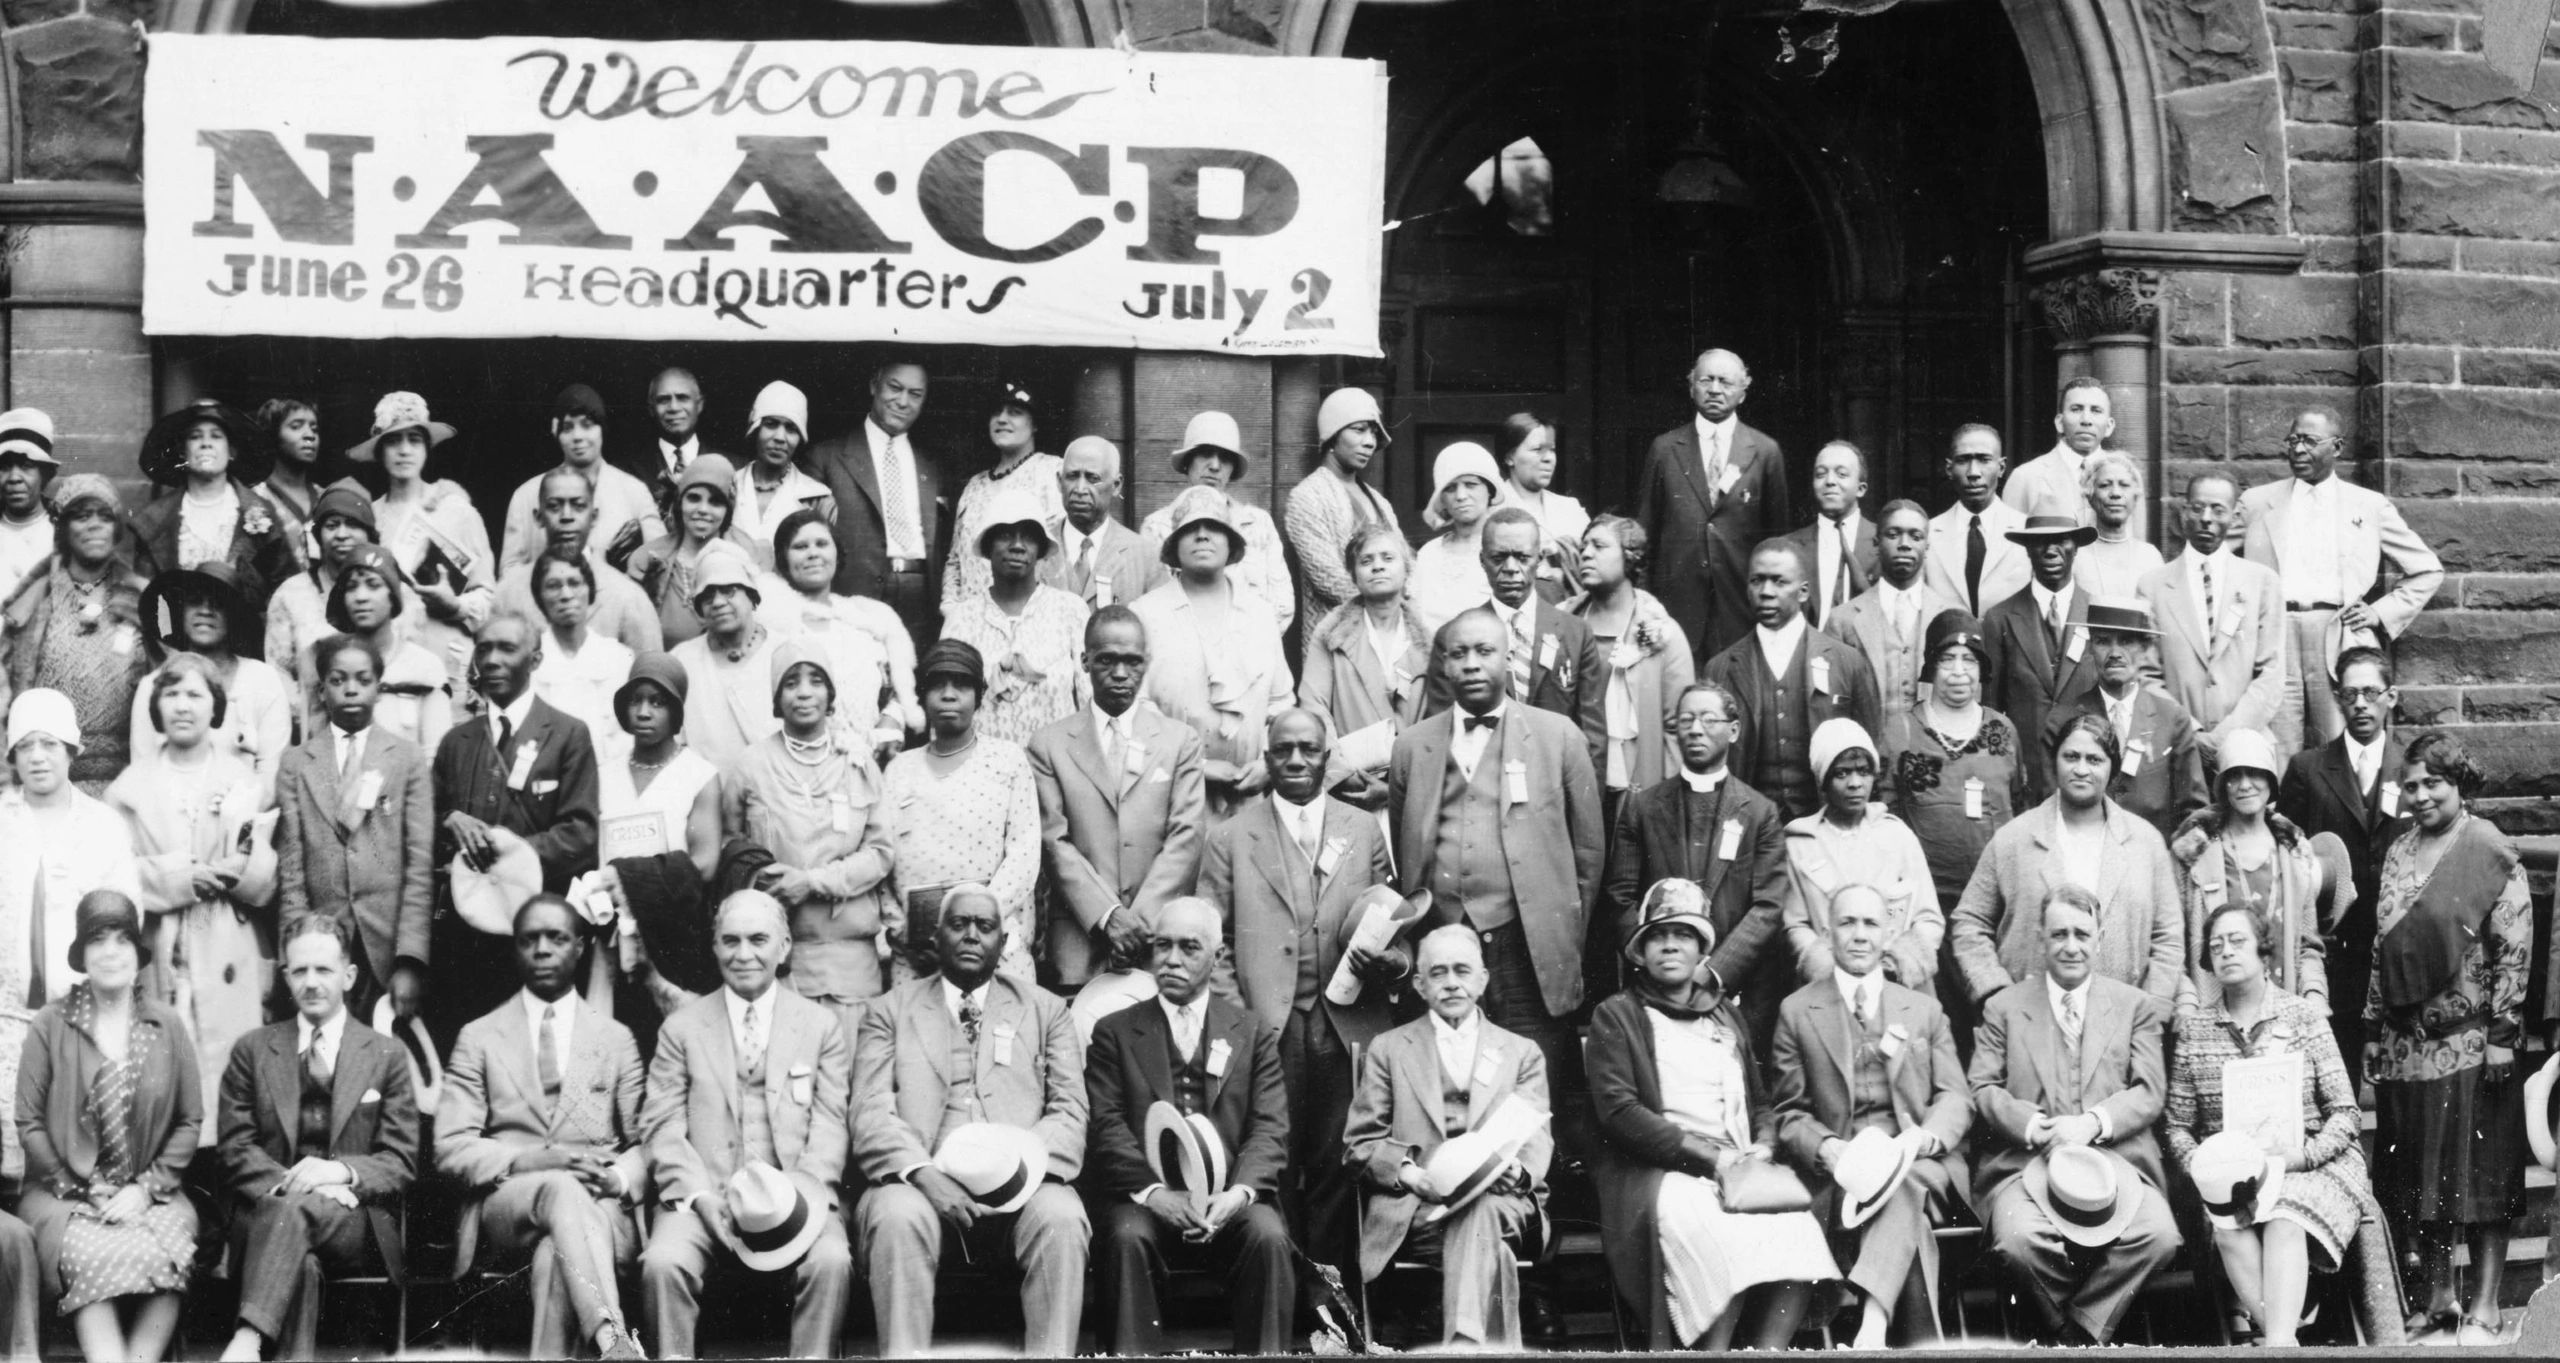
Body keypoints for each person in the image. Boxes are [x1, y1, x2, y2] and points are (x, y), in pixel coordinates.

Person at [1587, 882, 1832, 1350]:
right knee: (1724, 1239)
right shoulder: (1617, 1016)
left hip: (1738, 1164)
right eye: (1659, 936)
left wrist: (1762, 1145)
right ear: (1640, 952)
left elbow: (1761, 1102)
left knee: (1799, 1233)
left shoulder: (1723, 1015)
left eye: (1684, 935)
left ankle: (1768, 1353)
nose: (1671, 945)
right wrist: (1711, 1160)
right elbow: (1621, 1114)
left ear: (1702, 949)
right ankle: (1711, 1355)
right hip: (1658, 1170)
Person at [1393, 607, 1603, 1151]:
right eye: (1458, 653)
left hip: (1525, 946)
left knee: (1535, 1090)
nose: (1471, 664)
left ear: (1508, 658)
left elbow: (1588, 854)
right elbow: (1405, 845)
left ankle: (1538, 1224)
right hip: (1444, 941)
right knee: (1452, 1090)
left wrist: (1559, 937)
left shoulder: (1558, 736)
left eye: (1484, 651)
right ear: (1442, 664)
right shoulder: (1412, 746)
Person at [1201, 706, 1397, 1284]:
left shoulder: (1361, 829)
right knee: (1275, 1160)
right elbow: (1214, 944)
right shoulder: (1232, 836)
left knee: (1340, 1162)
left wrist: (1391, 962)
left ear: (1327, 756)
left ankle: (1330, 1299)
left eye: (1308, 749)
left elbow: (1390, 921)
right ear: (1266, 759)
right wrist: (1241, 1023)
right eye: (1283, 749)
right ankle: (1282, 1294)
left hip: (1347, 1024)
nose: (1295, 760)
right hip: (1269, 1027)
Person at [851, 884, 1088, 1356]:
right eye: (958, 925)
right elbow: (869, 1109)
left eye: (984, 926)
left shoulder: (1045, 1010)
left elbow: (1070, 1110)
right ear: (936, 938)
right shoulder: (888, 1011)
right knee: (895, 1217)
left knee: (1062, 1218)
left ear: (1003, 942)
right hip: (921, 1183)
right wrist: (923, 1175)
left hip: (1026, 1182)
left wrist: (1018, 1172)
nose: (971, 936)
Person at [639, 890, 855, 1359]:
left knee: (832, 1260)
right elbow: (662, 1129)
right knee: (663, 1263)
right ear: (714, 947)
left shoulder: (820, 1026)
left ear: (784, 947)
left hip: (799, 1199)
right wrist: (699, 1198)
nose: (743, 954)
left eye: (758, 939)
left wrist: (797, 1200)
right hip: (706, 1197)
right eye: (730, 941)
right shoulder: (682, 1028)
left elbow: (831, 1123)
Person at [2366, 731, 2527, 1345]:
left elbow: (2514, 944)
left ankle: (2484, 1305)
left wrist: (2504, 1032)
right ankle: (2439, 1301)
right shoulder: (2399, 852)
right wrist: (2375, 1031)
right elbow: (2384, 950)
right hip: (2409, 1049)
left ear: (2459, 784)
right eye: (2409, 785)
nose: (2420, 794)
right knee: (2422, 1180)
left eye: (2433, 781)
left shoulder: (2487, 848)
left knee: (2480, 1174)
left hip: (2473, 1042)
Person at [1966, 884, 2181, 1345]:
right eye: (2059, 933)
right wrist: (2032, 1126)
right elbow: (1981, 1088)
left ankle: (2078, 1331)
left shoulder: (2133, 1006)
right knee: (2018, 1242)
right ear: (2040, 938)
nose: (2070, 945)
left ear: (2099, 939)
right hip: (2027, 1164)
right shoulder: (2003, 1007)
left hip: (2116, 1160)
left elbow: (2149, 1090)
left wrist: (2092, 1123)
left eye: (2082, 934)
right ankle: (2074, 1337)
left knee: (2160, 1235)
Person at [437, 896, 649, 1360]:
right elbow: (450, 1147)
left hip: (599, 1205)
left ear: (581, 946)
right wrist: (528, 1159)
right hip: (510, 1203)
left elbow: (646, 1143)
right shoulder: (480, 1035)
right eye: (529, 940)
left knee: (555, 1256)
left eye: (556, 937)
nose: (542, 950)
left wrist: (617, 1178)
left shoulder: (615, 1038)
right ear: (515, 950)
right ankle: (613, 1340)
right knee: (557, 1187)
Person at [1086, 897, 1295, 1354]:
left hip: (1228, 1201)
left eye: (1189, 947)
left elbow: (1269, 1128)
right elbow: (1106, 1125)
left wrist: (1237, 1196)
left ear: (1217, 957)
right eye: (1162, 946)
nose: (1172, 960)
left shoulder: (1252, 1031)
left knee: (1268, 1236)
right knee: (1125, 1238)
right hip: (1146, 1200)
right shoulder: (1114, 1032)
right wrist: (1155, 1195)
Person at [1772, 883, 1973, 1348]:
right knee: (1909, 1217)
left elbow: (1956, 1097)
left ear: (1889, 933)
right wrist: (1827, 1147)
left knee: (1903, 1180)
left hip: (1922, 1165)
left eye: (1870, 923)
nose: (1859, 935)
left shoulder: (1924, 1010)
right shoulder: (1797, 1011)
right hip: (1842, 1181)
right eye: (1847, 922)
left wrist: (1923, 1138)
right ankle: (1907, 1342)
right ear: (1827, 932)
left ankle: (1873, 1328)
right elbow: (1788, 1113)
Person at [212, 912, 417, 1363]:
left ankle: (246, 1342)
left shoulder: (386, 1054)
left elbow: (400, 1160)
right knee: (298, 1264)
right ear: (285, 976)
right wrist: (298, 1183)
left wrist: (339, 1172)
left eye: (323, 970)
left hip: (351, 1219)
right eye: (299, 970)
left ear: (349, 975)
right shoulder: (253, 1050)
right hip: (268, 1212)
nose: (311, 982)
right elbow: (235, 1149)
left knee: (295, 1221)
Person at [2166, 902, 2371, 1350]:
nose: (2225, 951)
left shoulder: (2301, 1016)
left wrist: (2304, 1155)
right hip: (2234, 1177)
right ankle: (2287, 1337)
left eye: (2237, 941)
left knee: (2283, 1213)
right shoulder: (2197, 1029)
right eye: (2216, 944)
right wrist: (2207, 1166)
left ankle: (2276, 1343)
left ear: (2264, 951)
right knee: (2229, 1222)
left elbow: (2346, 1112)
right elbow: (2177, 1126)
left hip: (2315, 1165)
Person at [1343, 924, 1551, 1348]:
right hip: (1418, 1207)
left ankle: (1463, 1343)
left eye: (1462, 970)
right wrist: (1410, 1174)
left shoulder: (1521, 1052)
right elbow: (1360, 1144)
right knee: (1481, 1229)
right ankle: (1477, 1339)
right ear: (1419, 984)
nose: (1452, 982)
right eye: (1438, 973)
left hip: (1504, 1202)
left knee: (1480, 1208)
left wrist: (1518, 1171)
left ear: (1482, 979)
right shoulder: (1389, 1049)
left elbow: (1536, 1140)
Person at [17, 891, 200, 1363]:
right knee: (90, 1256)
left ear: (139, 953)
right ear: (83, 953)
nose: (111, 951)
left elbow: (189, 1119)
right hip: (64, 1196)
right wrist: (80, 1187)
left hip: (149, 1192)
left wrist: (146, 1188)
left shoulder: (167, 1025)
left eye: (123, 939)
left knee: (172, 1248)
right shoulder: (51, 1024)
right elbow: (29, 1121)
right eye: (98, 939)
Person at [109, 656, 278, 1120]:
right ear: (156, 706)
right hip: (162, 947)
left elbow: (266, 875)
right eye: (171, 694)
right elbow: (116, 875)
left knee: (231, 1084)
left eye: (195, 695)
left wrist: (235, 870)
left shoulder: (244, 782)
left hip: (227, 941)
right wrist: (180, 877)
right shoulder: (129, 789)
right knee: (165, 1083)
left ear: (215, 707)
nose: (182, 706)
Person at [430, 613, 601, 1047]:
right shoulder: (456, 743)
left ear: (536, 658)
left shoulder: (567, 735)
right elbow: (426, 832)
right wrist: (450, 822)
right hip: (465, 937)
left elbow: (581, 834)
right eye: (483, 649)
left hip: (535, 935)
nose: (491, 660)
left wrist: (509, 853)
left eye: (506, 648)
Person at [2241, 405, 2443, 751]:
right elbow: (2214, 556)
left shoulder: (2368, 505)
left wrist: (2379, 613)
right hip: (2275, 633)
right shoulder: (2257, 502)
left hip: (2337, 632)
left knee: (2341, 740)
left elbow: (2427, 569)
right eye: (2293, 440)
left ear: (2336, 447)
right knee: (2276, 741)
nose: (2299, 449)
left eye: (2309, 441)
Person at [1025, 606, 1205, 991]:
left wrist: (1138, 923)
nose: (1121, 674)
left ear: (1148, 663)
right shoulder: (1049, 744)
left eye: (1132, 662)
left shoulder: (1180, 741)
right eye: (1107, 660)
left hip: (1158, 936)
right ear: (1085, 661)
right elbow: (1053, 842)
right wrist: (1109, 917)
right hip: (1081, 933)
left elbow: (1185, 839)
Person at [1950, 714, 2184, 1010]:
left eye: (2095, 760)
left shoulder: (2145, 843)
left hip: (2120, 1019)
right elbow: (1969, 921)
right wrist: (1996, 992)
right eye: (2071, 757)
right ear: (2055, 761)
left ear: (2112, 767)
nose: (2082, 769)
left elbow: (2169, 935)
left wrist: (2153, 1005)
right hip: (2029, 1019)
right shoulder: (2014, 838)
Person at [1603, 682, 1789, 1051]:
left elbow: (1768, 906)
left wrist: (1717, 970)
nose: (1695, 729)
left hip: (1734, 989)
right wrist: (1655, 962)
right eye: (1686, 720)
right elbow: (1619, 895)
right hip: (1655, 985)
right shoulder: (1643, 808)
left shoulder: (1760, 812)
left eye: (1708, 719)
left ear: (1733, 730)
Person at [723, 639, 896, 1019]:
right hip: (773, 961)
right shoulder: (750, 767)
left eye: (816, 680)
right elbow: (731, 851)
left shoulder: (857, 762)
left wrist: (812, 881)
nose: (804, 692)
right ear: (776, 697)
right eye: (790, 682)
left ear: (830, 693)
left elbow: (881, 853)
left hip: (849, 963)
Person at [0, 694, 143, 1147]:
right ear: (12, 756)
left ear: (71, 751)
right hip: (4, 1016)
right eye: (25, 746)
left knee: (74, 1145)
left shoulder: (103, 826)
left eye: (50, 744)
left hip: (79, 1016)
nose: (38, 757)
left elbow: (124, 921)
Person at [274, 633, 434, 1022]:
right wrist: (299, 948)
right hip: (323, 944)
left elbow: (419, 866)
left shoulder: (406, 759)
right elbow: (292, 870)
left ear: (380, 689)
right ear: (321, 689)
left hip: (386, 941)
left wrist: (410, 959)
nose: (351, 690)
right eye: (338, 680)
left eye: (363, 680)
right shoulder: (296, 763)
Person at [2276, 646, 2405, 1089]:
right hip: (2337, 950)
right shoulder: (2308, 769)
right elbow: (2289, 858)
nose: (2361, 704)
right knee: (2338, 1079)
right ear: (2337, 698)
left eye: (2371, 692)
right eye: (2350, 694)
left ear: (2392, 696)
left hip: (2399, 949)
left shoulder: (2415, 771)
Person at [880, 641, 1041, 985]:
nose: (949, 695)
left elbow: (1025, 854)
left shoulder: (1007, 761)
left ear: (979, 696)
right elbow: (880, 857)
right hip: (918, 956)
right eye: (937, 685)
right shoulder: (899, 770)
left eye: (961, 685)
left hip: (994, 944)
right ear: (921, 697)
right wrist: (903, 931)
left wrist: (973, 928)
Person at [1130, 488, 1294, 824]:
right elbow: (1137, 711)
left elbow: (1281, 704)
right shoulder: (1146, 614)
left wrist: (1268, 763)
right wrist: (1198, 766)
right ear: (1174, 545)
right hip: (1171, 796)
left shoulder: (1260, 614)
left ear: (1231, 543)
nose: (1202, 535)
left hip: (1248, 795)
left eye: (1213, 528)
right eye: (1190, 529)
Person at [1701, 537, 1883, 819]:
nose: (1766, 592)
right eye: (1756, 581)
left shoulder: (1847, 662)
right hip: (1750, 826)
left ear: (1803, 591)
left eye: (1779, 581)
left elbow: (1873, 757)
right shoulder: (1721, 668)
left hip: (1826, 825)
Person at [593, 652, 723, 1030]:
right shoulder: (604, 774)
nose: (645, 712)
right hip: (611, 933)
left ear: (676, 712)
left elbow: (705, 861)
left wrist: (628, 882)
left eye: (658, 702)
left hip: (674, 933)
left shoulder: (698, 775)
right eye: (636, 700)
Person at [0, 473, 152, 789]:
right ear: (63, 528)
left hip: (126, 781)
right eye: (81, 517)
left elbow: (171, 672)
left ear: (117, 528)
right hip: (43, 778)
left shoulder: (149, 598)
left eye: (105, 516)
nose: (94, 525)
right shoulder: (32, 600)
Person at [1638, 348, 1791, 659]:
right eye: (1706, 380)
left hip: (1740, 609)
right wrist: (1644, 604)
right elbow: (1644, 534)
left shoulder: (1765, 451)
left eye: (1726, 382)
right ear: (1691, 386)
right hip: (1675, 610)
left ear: (1743, 392)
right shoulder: (1665, 449)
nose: (1715, 389)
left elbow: (1777, 541)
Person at [2168, 728, 2330, 1020]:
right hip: (2216, 1013)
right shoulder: (2195, 855)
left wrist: (2315, 994)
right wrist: (2187, 1002)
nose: (2245, 785)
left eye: (2254, 773)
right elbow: (2173, 942)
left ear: (2270, 781)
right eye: (2234, 775)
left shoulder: (2294, 854)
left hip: (2284, 1010)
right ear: (2222, 785)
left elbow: (2308, 946)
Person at [1878, 611, 2029, 918]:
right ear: (1931, 666)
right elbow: (1884, 824)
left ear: (1981, 668)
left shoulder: (2003, 730)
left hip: (1993, 901)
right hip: (1923, 903)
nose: (1959, 671)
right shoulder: (1900, 732)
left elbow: (2018, 808)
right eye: (1947, 659)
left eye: (1969, 660)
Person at [2139, 470, 2286, 767]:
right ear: (2184, 513)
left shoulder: (2262, 582)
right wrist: (2190, 732)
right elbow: (2146, 675)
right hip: (2176, 744)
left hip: (2246, 746)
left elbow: (2271, 673)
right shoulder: (2152, 586)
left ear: (2234, 517)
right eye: (2197, 507)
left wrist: (2223, 739)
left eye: (2218, 509)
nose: (2206, 517)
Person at [1781, 719, 1942, 990]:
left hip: (1899, 984)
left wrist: (1897, 965)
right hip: (1829, 986)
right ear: (1824, 780)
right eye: (1842, 773)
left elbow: (1929, 918)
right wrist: (1830, 971)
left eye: (1864, 771)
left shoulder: (1897, 835)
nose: (1855, 783)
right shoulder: (1801, 843)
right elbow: (1796, 925)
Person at [1449, 506, 1610, 768]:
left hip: (1554, 786)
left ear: (1539, 559)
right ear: (1482, 560)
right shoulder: (1456, 635)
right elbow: (1442, 734)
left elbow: (1592, 737)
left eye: (1522, 557)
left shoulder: (1575, 633)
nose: (1511, 568)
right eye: (1499, 557)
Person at [804, 358, 947, 645]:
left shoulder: (933, 465)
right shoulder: (827, 458)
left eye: (915, 394)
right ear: (874, 386)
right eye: (894, 388)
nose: (903, 401)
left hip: (919, 596)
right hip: (855, 596)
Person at [2037, 595, 2206, 838]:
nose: (2115, 653)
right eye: (2103, 641)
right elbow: (2049, 807)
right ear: (2090, 647)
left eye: (2126, 642)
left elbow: (2193, 809)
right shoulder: (2062, 720)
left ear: (2147, 649)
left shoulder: (2172, 719)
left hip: (2152, 859)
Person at [758, 508, 917, 753]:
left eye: (821, 544)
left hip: (869, 762)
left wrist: (892, 721)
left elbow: (898, 689)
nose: (813, 553)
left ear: (836, 553)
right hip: (800, 762)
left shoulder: (868, 619)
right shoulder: (774, 626)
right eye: (800, 547)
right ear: (784, 559)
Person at [940, 487, 1091, 746]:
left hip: (1054, 768)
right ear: (988, 546)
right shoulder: (962, 619)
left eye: (1028, 537)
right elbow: (945, 705)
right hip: (983, 771)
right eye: (1006, 535)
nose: (1017, 546)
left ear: (1041, 548)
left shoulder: (1070, 611)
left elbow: (1090, 698)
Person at [1565, 515, 1693, 813]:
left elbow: (1677, 725)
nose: (1585, 553)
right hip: (1576, 779)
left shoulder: (1662, 632)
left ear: (1630, 557)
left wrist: (1668, 802)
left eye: (1599, 546)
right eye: (1583, 546)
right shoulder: (1565, 624)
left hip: (1639, 785)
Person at [1300, 523, 1430, 808]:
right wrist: (1341, 773)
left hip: (1414, 787)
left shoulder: (1429, 637)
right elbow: (1314, 705)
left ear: (1407, 570)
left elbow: (1440, 717)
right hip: (1352, 785)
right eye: (1366, 561)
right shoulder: (1331, 632)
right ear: (1354, 575)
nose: (1377, 567)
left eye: (1388, 558)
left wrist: (1403, 788)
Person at [128, 564, 291, 783]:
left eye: (218, 603)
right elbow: (143, 773)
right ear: (181, 612)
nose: (205, 610)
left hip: (246, 810)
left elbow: (271, 771)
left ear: (234, 615)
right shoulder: (153, 685)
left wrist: (237, 811)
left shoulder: (262, 680)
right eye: (195, 602)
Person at [1137, 411, 1295, 634]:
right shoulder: (1158, 526)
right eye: (1205, 454)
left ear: (1233, 468)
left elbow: (1283, 604)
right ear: (1187, 462)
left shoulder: (1257, 524)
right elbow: (1152, 605)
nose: (1214, 466)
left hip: (1248, 651)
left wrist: (1244, 645)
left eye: (1225, 457)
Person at [353, 391, 495, 636]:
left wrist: (455, 605)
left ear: (427, 447)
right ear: (379, 450)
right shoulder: (368, 518)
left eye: (415, 439)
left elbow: (489, 598)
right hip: (386, 656)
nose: (405, 450)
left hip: (445, 650)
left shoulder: (456, 510)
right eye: (393, 440)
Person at [1980, 513, 2102, 799]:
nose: (2050, 550)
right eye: (2039, 542)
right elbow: (1991, 710)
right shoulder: (1999, 619)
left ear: (2076, 546)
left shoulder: (2098, 615)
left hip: (2086, 774)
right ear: (2026, 549)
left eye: (2061, 541)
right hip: (2026, 777)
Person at [128, 398, 296, 604]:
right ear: (183, 451)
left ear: (231, 451)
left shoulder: (262, 513)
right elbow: (145, 596)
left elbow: (287, 591)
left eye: (216, 436)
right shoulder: (154, 520)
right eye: (195, 437)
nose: (206, 443)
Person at [493, 466, 666, 657]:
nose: (567, 516)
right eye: (554, 506)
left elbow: (649, 679)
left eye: (578, 505)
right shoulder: (508, 594)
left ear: (594, 517)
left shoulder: (628, 598)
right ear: (538, 517)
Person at [1825, 499, 1955, 753]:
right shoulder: (1842, 620)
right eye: (1893, 534)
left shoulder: (1950, 616)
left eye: (1915, 536)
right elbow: (1831, 710)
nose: (1904, 544)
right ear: (1876, 543)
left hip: (1936, 764)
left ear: (1927, 546)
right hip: (1866, 764)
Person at [499, 384, 667, 574]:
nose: (577, 436)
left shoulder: (633, 490)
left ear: (602, 429)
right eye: (568, 427)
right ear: (556, 433)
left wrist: (636, 560)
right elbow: (509, 571)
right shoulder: (528, 494)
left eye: (587, 425)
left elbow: (661, 561)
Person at [265, 480, 397, 718]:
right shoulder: (290, 594)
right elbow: (277, 673)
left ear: (370, 533)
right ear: (318, 534)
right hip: (310, 722)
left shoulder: (390, 593)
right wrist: (309, 713)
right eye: (332, 525)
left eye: (353, 525)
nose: (342, 534)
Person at [318, 543, 456, 757]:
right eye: (352, 587)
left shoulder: (425, 666)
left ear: (392, 596)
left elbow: (436, 756)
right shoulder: (332, 665)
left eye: (373, 585)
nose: (361, 596)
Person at [1285, 387, 1400, 644]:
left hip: (1390, 635)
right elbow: (1328, 578)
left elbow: (1404, 562)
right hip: (1337, 638)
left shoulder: (1379, 501)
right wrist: (1385, 608)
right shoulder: (1307, 497)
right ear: (1333, 436)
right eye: (1359, 430)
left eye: (1373, 432)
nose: (1369, 441)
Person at [943, 383, 1062, 615]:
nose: (1002, 419)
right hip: (971, 620)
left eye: (1015, 413)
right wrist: (950, 607)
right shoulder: (974, 486)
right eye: (997, 412)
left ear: (1035, 423)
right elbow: (955, 557)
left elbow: (1057, 556)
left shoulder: (1051, 472)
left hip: (1030, 616)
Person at [624, 455, 757, 648]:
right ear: (680, 503)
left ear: (728, 509)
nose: (703, 509)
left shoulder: (746, 557)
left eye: (715, 502)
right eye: (694, 498)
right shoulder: (646, 560)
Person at [670, 545, 782, 770]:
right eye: (708, 595)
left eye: (729, 590)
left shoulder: (784, 651)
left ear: (752, 596)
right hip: (707, 797)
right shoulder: (682, 661)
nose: (718, 602)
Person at [526, 548, 638, 767]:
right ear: (539, 597)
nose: (566, 595)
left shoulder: (618, 658)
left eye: (574, 583)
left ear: (590, 591)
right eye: (553, 586)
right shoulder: (529, 663)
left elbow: (630, 736)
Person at [1040, 435, 1164, 613]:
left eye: (1093, 478)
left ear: (1116, 485)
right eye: (1072, 476)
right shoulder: (1037, 548)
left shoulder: (1146, 557)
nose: (1080, 489)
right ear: (1059, 482)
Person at [1925, 424, 2029, 618]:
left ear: (2001, 467)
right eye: (1963, 460)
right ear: (1949, 469)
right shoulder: (1928, 533)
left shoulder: (2026, 530)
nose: (1973, 472)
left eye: (1984, 459)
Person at [727, 381, 834, 568]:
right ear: (756, 428)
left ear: (800, 437)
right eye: (771, 424)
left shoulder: (817, 498)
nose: (780, 437)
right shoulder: (728, 485)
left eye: (791, 429)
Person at [2002, 376, 2129, 534]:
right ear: (2060, 422)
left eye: (2096, 410)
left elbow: (2133, 545)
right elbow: (2011, 548)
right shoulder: (2026, 477)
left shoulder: (2126, 480)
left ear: (2109, 426)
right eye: (2076, 409)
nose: (2086, 420)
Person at [1406, 442, 1504, 635]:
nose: (1460, 496)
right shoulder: (1430, 553)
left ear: (1489, 490)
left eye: (1471, 485)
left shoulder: (1503, 548)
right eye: (1450, 488)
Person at [608, 367, 727, 520]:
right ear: (651, 409)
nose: (673, 408)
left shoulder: (734, 467)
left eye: (682, 398)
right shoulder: (624, 471)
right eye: (663, 400)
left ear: (700, 405)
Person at [1785, 439, 1879, 630]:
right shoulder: (1788, 548)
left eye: (1842, 474)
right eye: (1820, 474)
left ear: (1861, 488)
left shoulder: (1883, 543)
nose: (1829, 481)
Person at [1496, 412, 1587, 600]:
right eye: (1537, 449)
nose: (1549, 458)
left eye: (1552, 450)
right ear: (1509, 457)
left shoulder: (1570, 508)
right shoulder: (1493, 510)